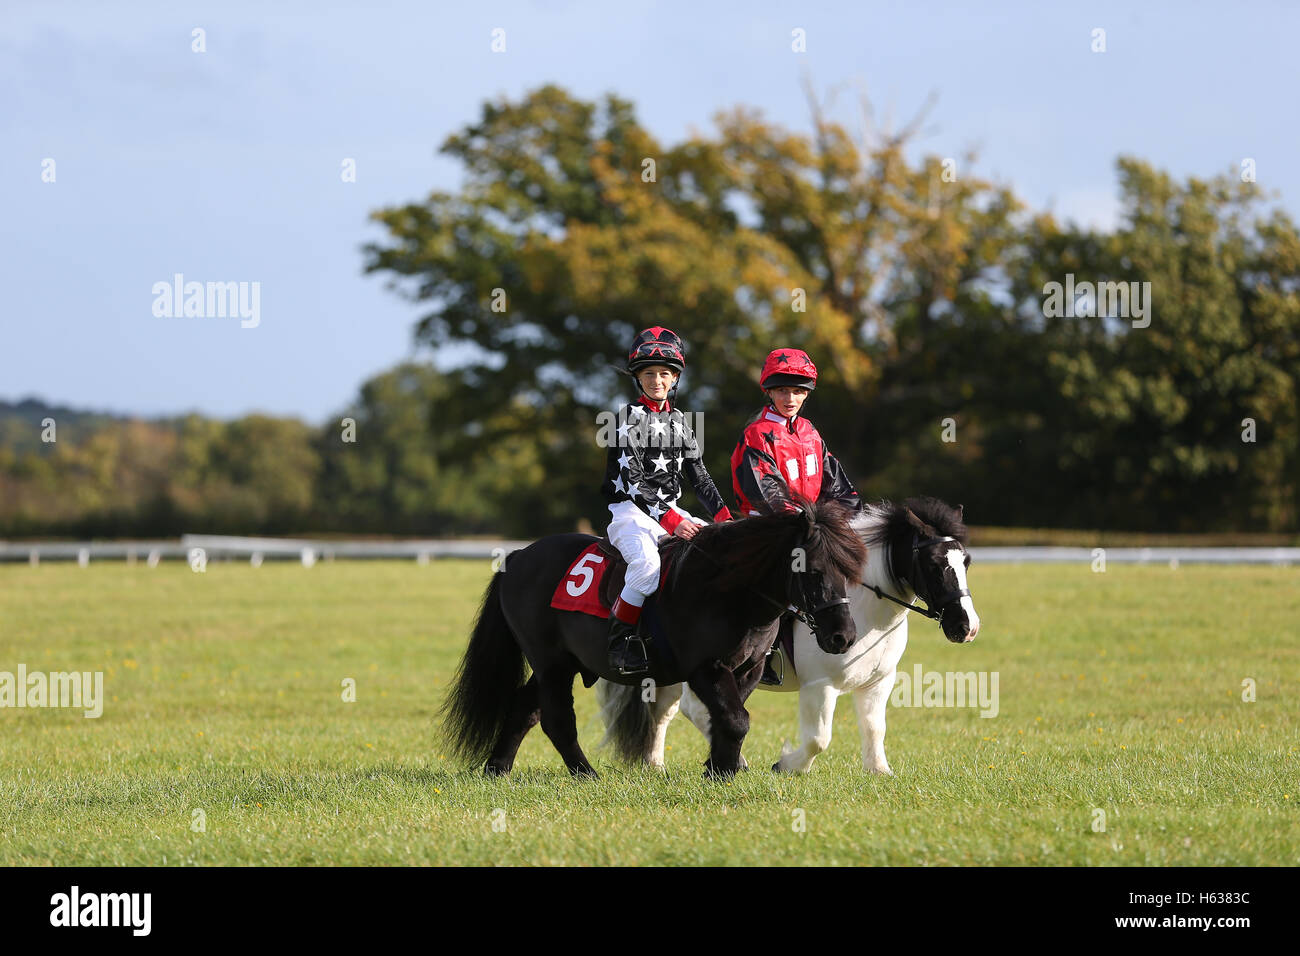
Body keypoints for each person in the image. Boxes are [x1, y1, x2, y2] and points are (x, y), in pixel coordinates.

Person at [601, 327, 733, 676]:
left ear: (675, 378)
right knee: (646, 569)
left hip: (670, 511)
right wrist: (674, 522)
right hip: (630, 512)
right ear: (637, 378)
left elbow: (700, 477)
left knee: (723, 557)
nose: (657, 380)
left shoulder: (681, 422)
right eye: (649, 374)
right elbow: (633, 482)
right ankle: (620, 643)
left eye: (664, 374)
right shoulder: (625, 418)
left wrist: (726, 520)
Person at [730, 347, 861, 683]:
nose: (791, 398)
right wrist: (809, 524)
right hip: (768, 528)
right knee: (793, 574)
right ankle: (767, 654)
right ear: (770, 391)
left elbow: (839, 487)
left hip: (813, 528)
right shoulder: (756, 434)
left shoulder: (810, 432)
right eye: (783, 390)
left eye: (799, 391)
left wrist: (844, 519)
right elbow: (768, 494)